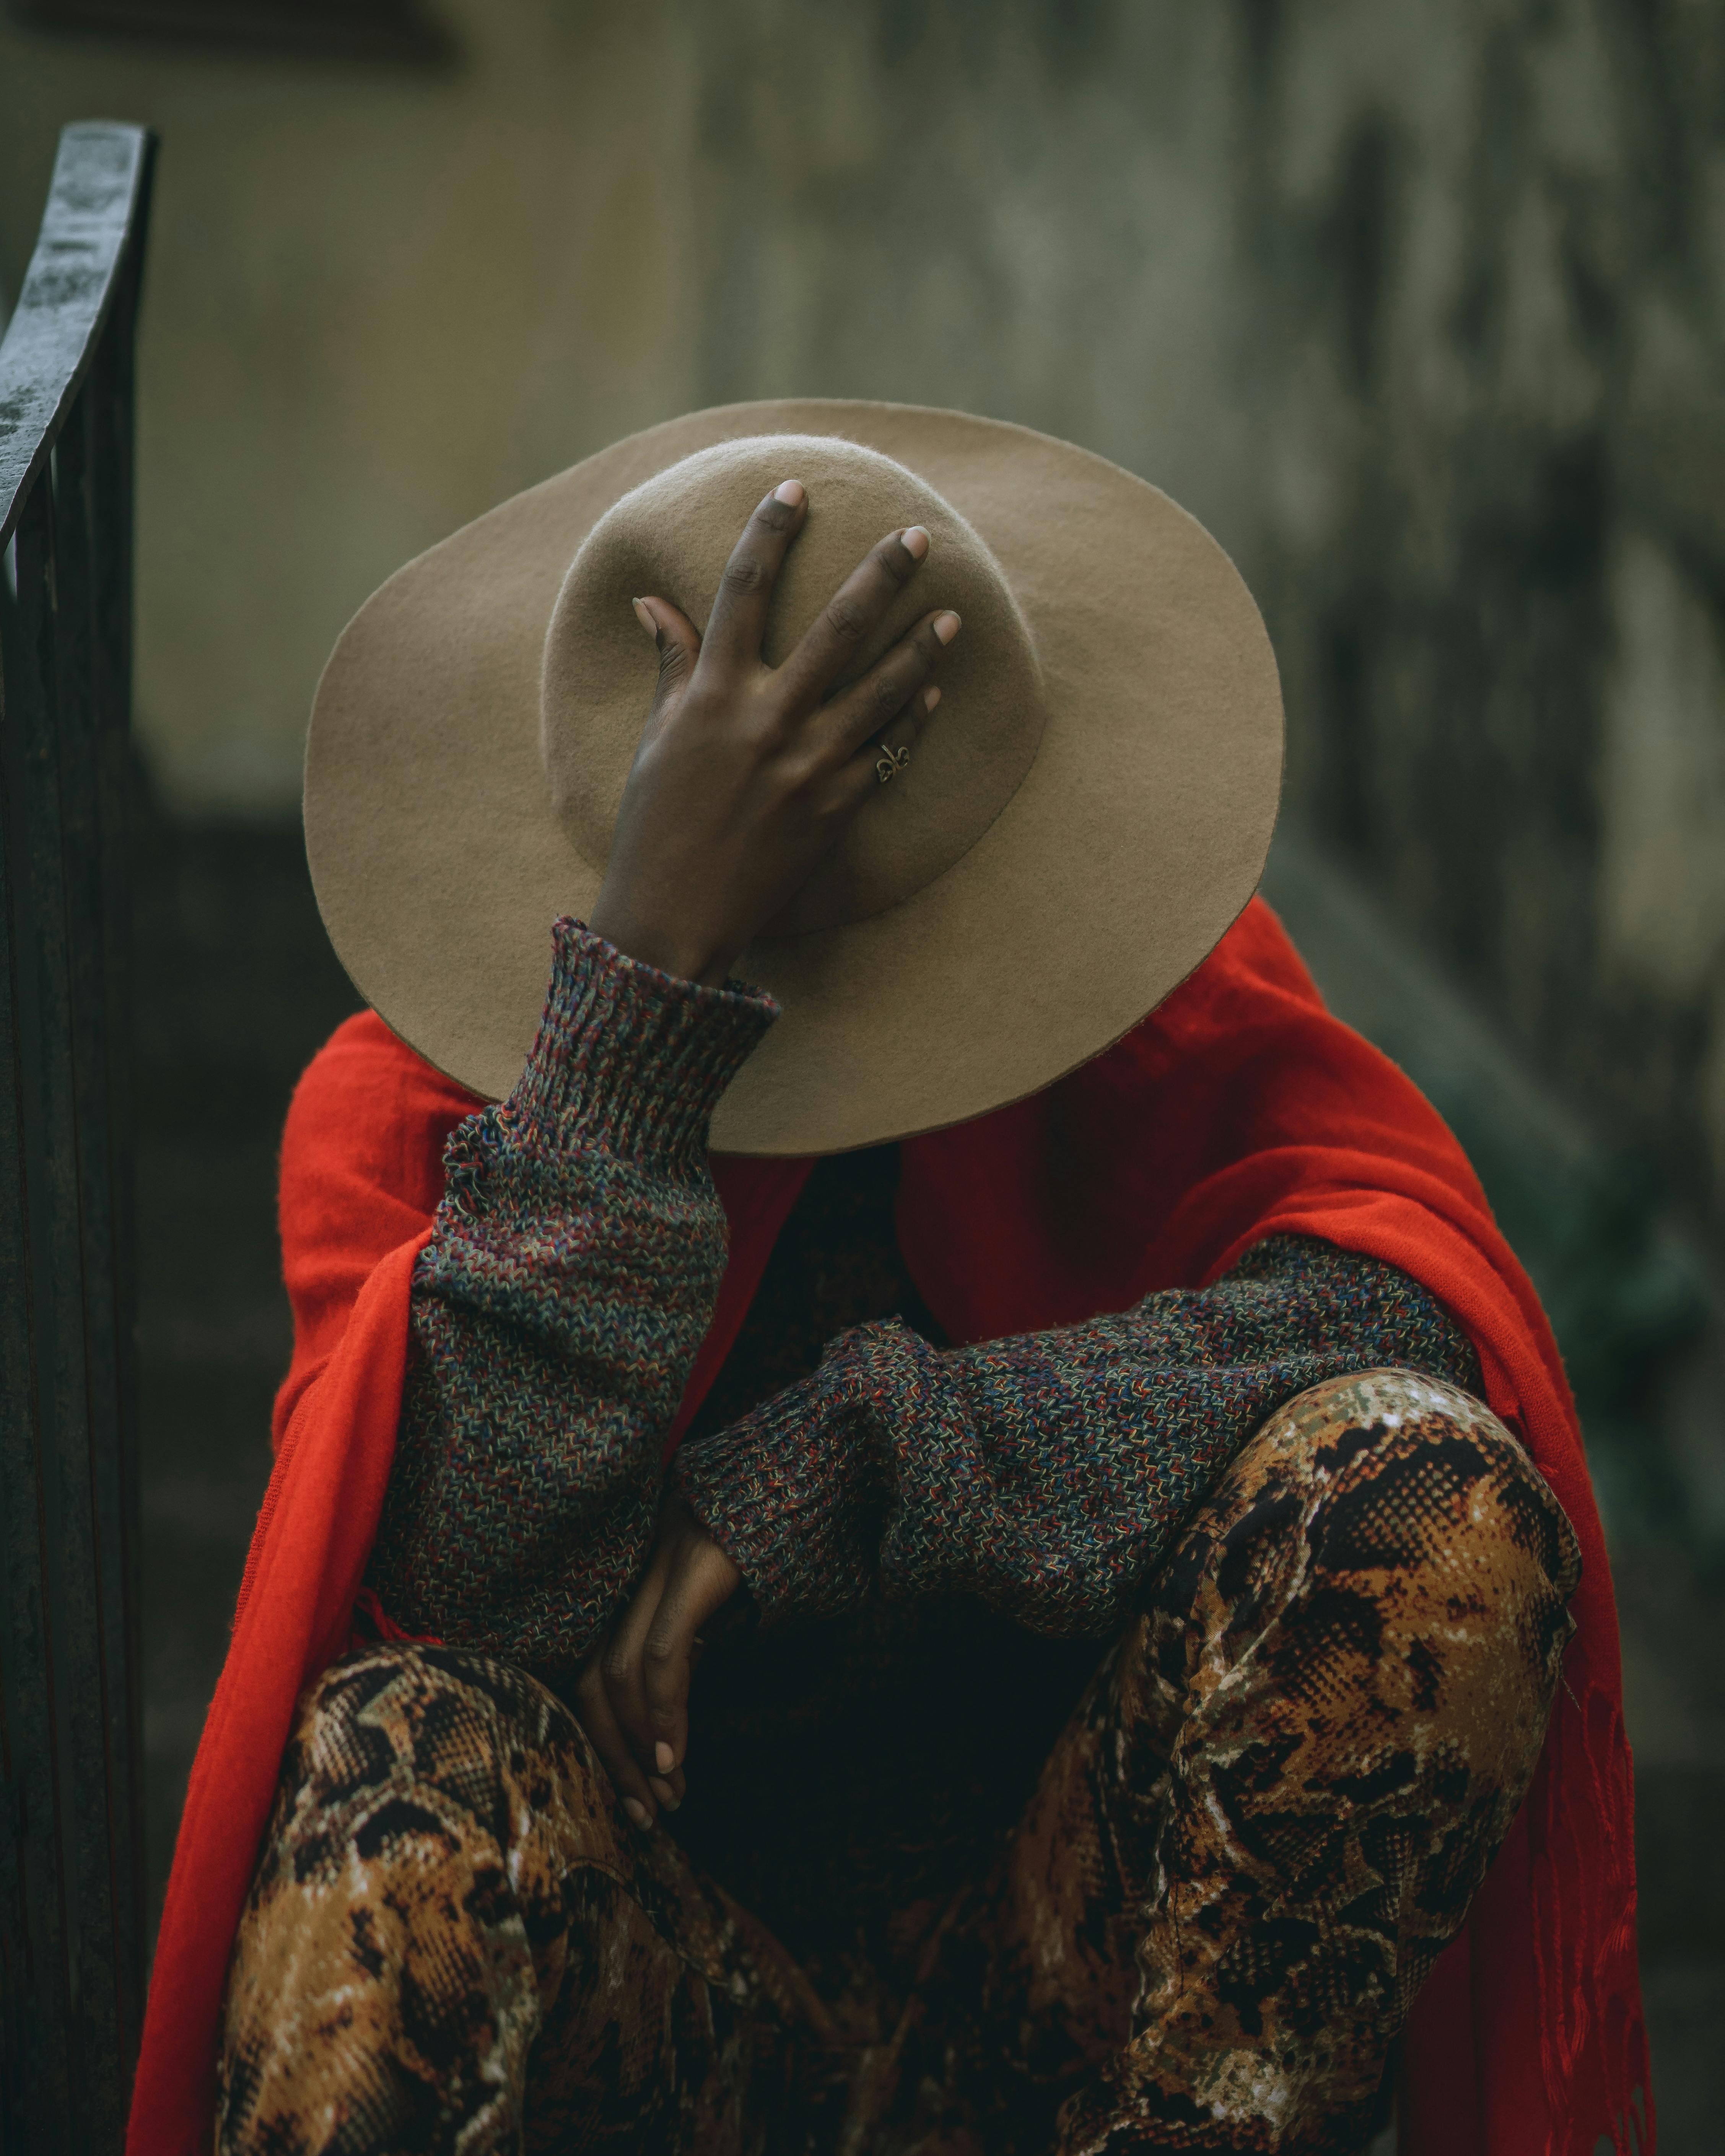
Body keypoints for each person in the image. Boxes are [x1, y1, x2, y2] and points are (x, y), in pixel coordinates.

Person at [127, 407, 1650, 2156]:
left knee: (1420, 1501)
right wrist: (643, 1000)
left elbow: (1414, 1325)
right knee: (395, 1773)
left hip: (1057, 1988)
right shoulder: (419, 1112)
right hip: (658, 2016)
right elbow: (466, 1607)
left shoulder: (1152, 1027)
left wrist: (847, 1464)